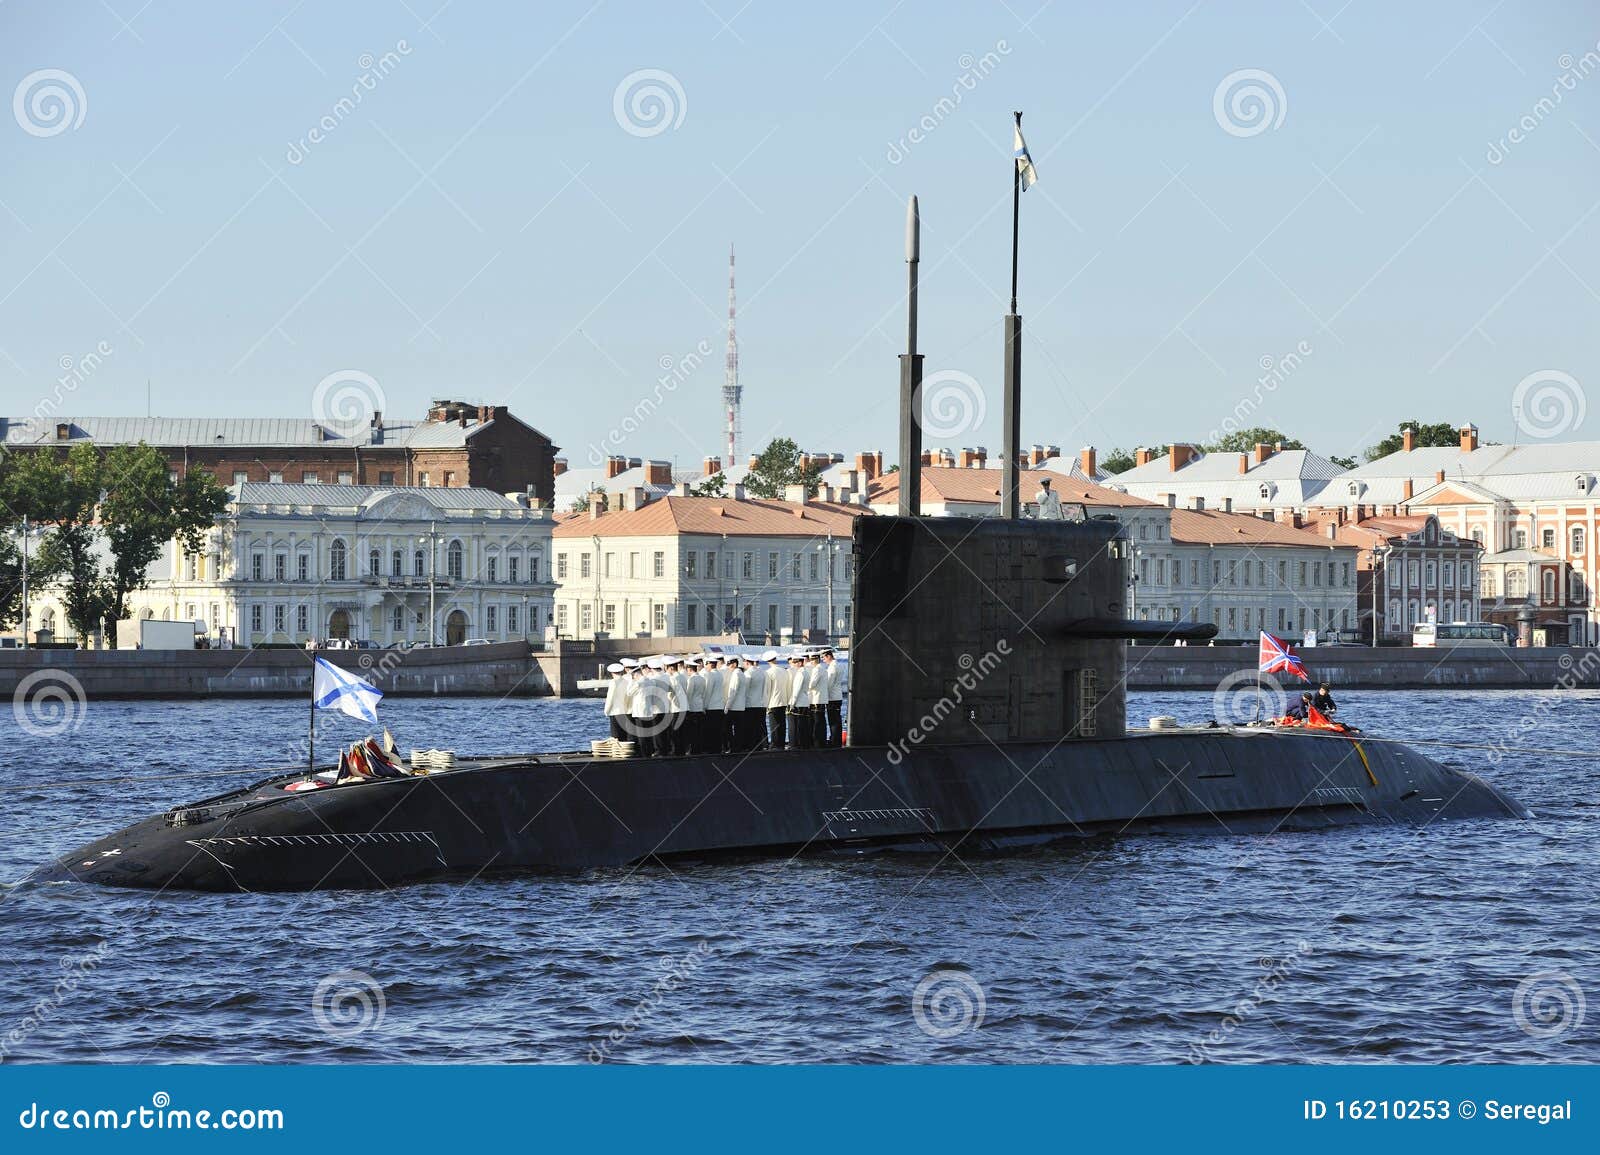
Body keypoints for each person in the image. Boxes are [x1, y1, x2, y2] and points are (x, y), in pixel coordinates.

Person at [763, 650, 788, 751]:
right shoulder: (784, 670)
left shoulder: (768, 673)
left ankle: (775, 744)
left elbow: (767, 690)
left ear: (767, 661)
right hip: (783, 700)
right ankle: (781, 744)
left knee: (774, 725)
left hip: (773, 702)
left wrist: (766, 704)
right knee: (782, 724)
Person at [741, 656, 767, 751]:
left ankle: (750, 746)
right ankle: (758, 746)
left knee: (749, 727)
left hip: (750, 704)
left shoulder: (748, 673)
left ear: (747, 662)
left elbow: (745, 689)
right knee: (758, 727)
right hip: (760, 703)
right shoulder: (761, 672)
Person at [722, 656, 747, 754]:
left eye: (730, 665)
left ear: (735, 664)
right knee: (738, 729)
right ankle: (738, 748)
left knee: (728, 728)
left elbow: (733, 692)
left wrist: (727, 707)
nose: (729, 667)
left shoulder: (736, 674)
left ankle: (733, 747)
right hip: (741, 706)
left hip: (734, 707)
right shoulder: (742, 674)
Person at [684, 656, 708, 756]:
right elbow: (703, 693)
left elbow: (689, 694)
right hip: (700, 706)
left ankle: (694, 750)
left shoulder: (691, 680)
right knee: (699, 730)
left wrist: (687, 706)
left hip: (692, 707)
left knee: (693, 731)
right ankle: (699, 748)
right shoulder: (702, 679)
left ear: (689, 669)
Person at [785, 654, 810, 748]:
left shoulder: (800, 673)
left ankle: (794, 745)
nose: (793, 664)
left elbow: (796, 690)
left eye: (795, 662)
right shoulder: (806, 672)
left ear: (800, 663)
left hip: (798, 703)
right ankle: (803, 744)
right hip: (804, 701)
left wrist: (792, 704)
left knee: (796, 726)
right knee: (803, 726)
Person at [822, 649, 845, 747]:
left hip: (832, 697)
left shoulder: (832, 667)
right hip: (838, 696)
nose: (823, 660)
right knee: (837, 719)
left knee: (833, 721)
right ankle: (837, 740)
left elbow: (829, 684)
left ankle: (834, 741)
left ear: (829, 656)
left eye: (824, 658)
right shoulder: (839, 665)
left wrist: (823, 696)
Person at [602, 661, 631, 742]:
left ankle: (619, 752)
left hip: (615, 712)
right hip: (625, 711)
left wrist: (606, 710)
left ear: (611, 673)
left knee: (616, 736)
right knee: (624, 734)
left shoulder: (613, 682)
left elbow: (610, 698)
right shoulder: (626, 681)